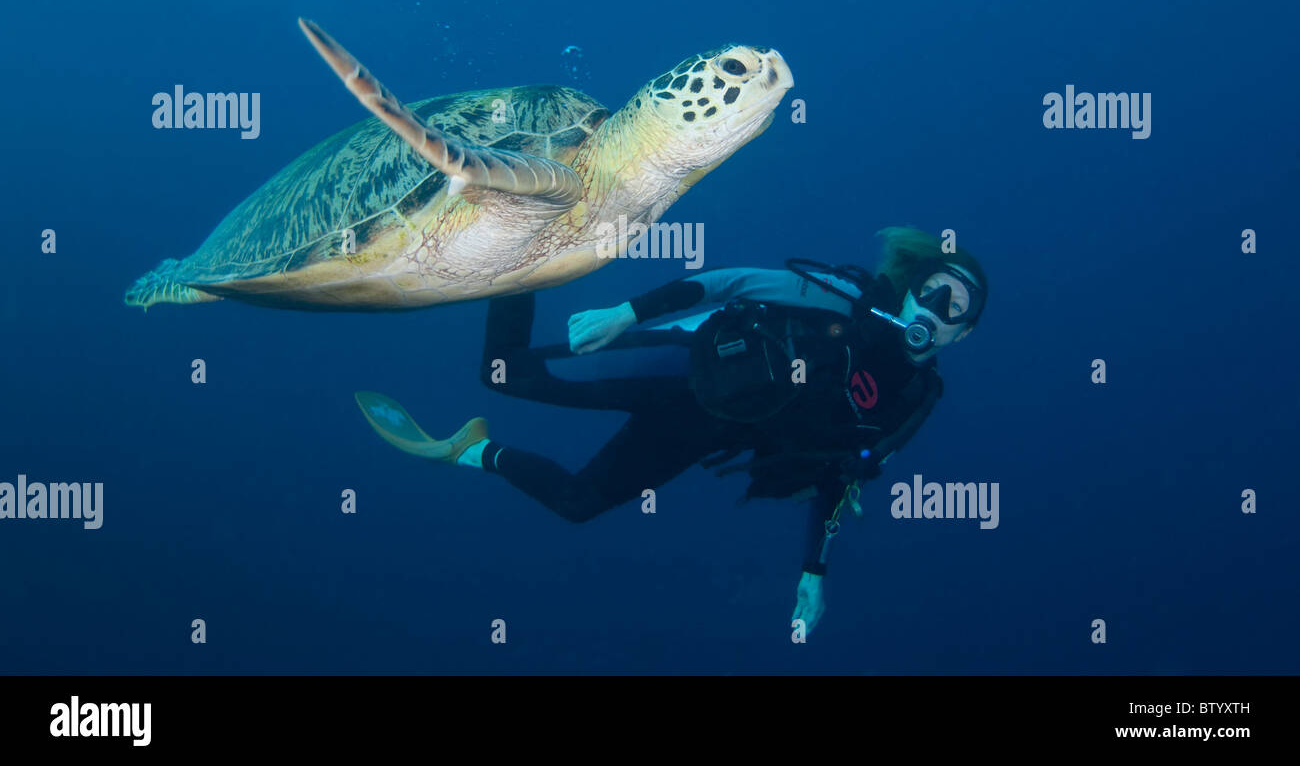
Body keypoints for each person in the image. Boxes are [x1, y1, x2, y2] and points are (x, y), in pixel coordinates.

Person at [355, 227, 988, 635]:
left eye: (956, 311)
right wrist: (627, 313)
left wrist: (814, 573)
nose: (936, 313)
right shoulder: (848, 300)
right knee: (504, 373)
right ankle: (512, 245)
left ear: (964, 335)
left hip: (700, 432)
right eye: (934, 294)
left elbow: (839, 473)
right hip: (673, 365)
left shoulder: (910, 400)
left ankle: (471, 449)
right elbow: (733, 281)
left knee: (578, 504)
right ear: (910, 292)